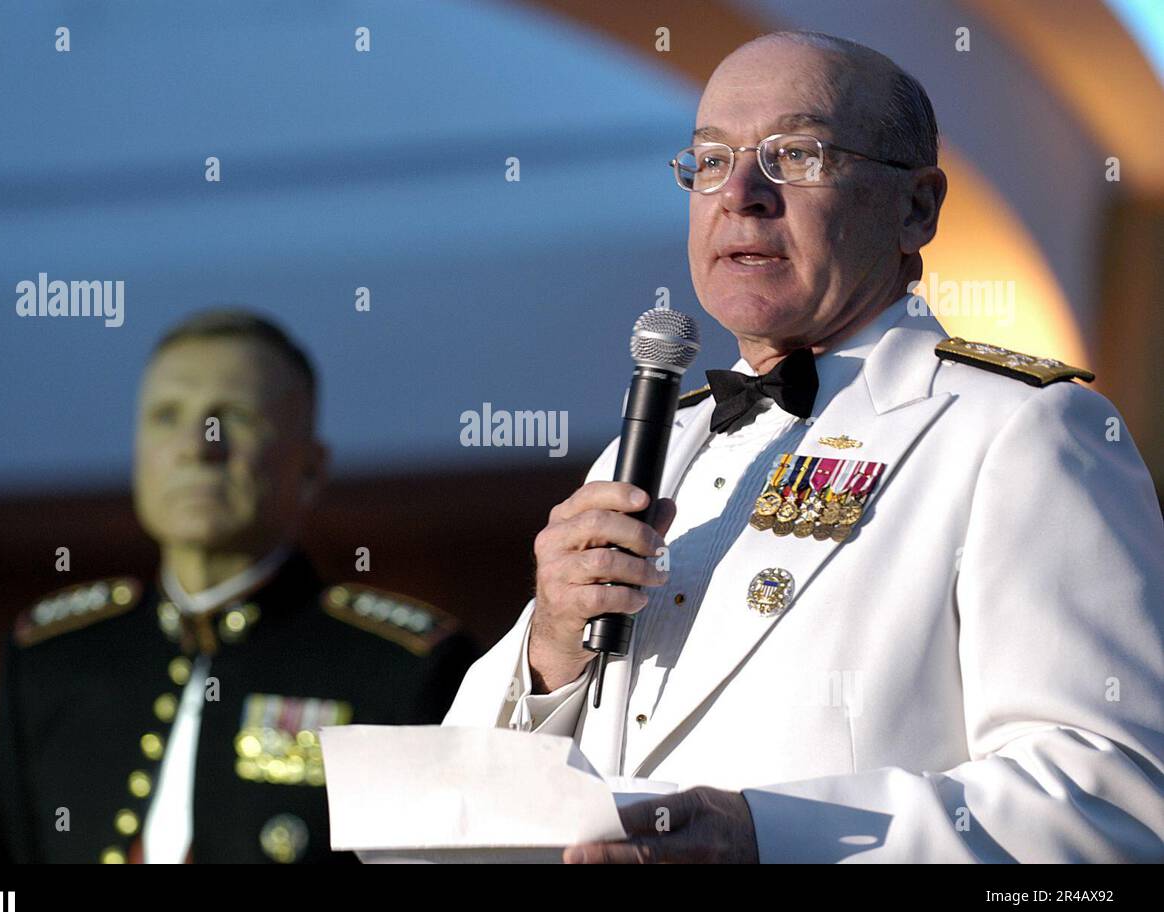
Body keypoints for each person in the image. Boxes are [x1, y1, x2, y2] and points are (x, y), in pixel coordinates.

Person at [444, 31, 1164, 863]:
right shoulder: (649, 444)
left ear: (916, 208)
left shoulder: (1021, 432)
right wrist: (551, 653)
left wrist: (772, 839)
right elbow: (476, 799)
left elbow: (1113, 800)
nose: (741, 193)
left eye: (798, 154)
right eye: (710, 160)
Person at [0, 309, 476, 863]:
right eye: (167, 416)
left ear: (310, 470)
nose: (199, 445)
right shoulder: (54, 657)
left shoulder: (401, 667)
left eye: (235, 417)